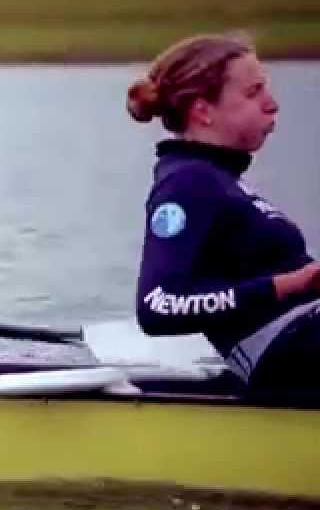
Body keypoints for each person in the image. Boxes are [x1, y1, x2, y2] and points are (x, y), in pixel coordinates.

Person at [127, 31, 319, 400]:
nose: (272, 104)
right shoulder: (187, 183)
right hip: (284, 354)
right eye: (253, 92)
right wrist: (287, 285)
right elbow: (157, 305)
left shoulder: (222, 181)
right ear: (203, 111)